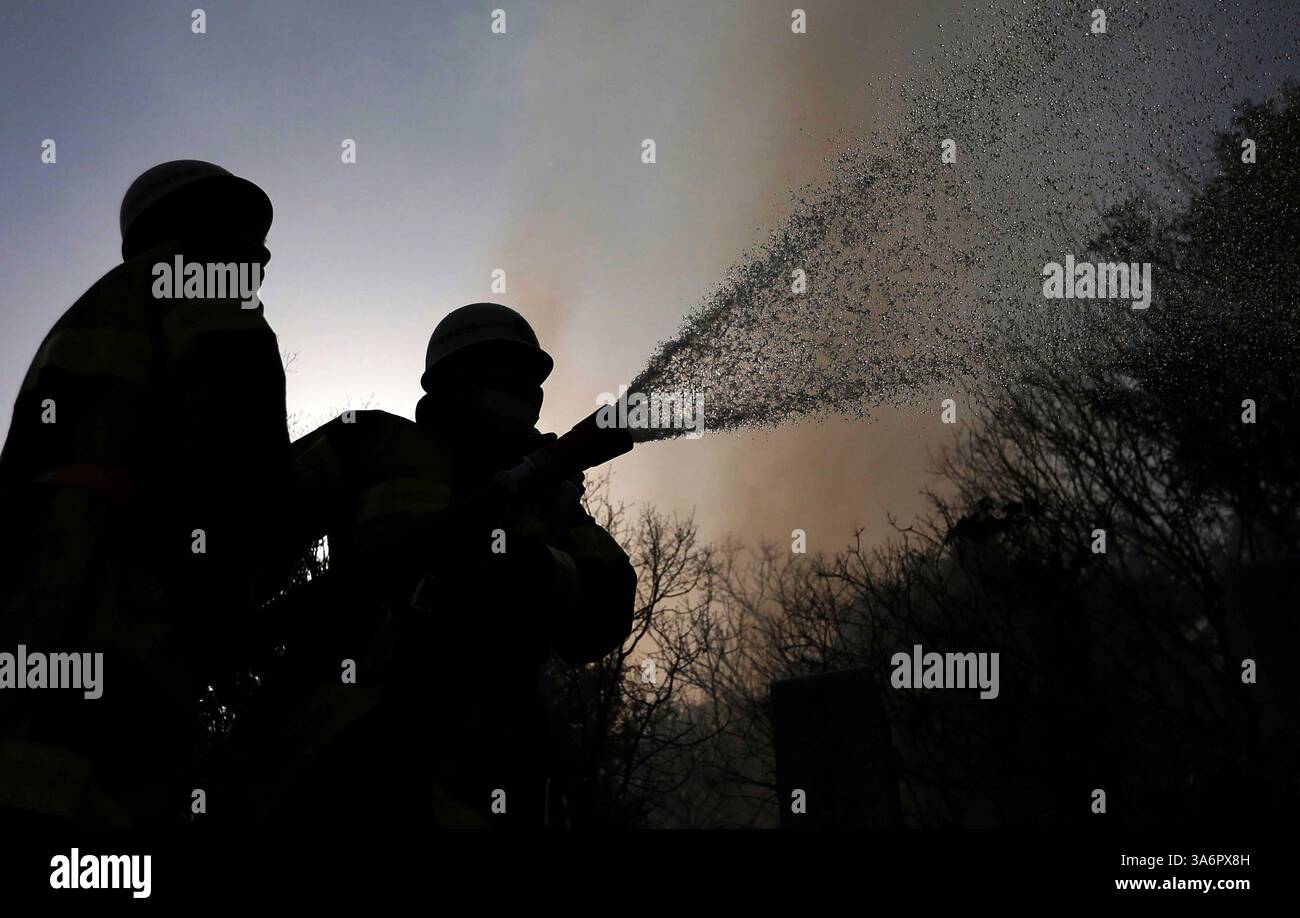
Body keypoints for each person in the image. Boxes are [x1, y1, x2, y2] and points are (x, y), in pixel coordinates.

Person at [245, 302, 636, 828]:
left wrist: (536, 565)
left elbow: (602, 617)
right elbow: (249, 528)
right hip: (347, 764)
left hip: (493, 772)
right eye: (504, 371)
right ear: (453, 379)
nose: (523, 390)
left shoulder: (550, 500)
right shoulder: (373, 442)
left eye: (529, 377)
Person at [0, 161, 298, 828]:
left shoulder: (92, 311)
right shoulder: (203, 287)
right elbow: (242, 468)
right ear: (196, 222)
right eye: (242, 229)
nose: (260, 252)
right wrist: (235, 588)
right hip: (125, 651)